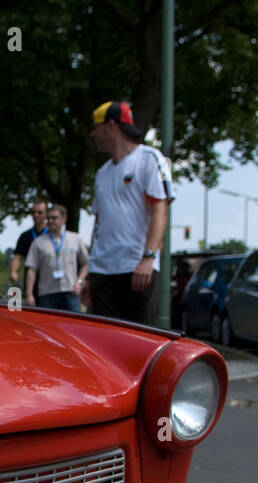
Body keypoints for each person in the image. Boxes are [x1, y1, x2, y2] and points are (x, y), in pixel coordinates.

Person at [86, 101, 176, 324]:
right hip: (102, 272)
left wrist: (148, 257)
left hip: (135, 269)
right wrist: (89, 271)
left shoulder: (150, 159)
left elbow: (159, 210)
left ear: (111, 126)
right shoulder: (102, 173)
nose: (92, 133)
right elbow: (98, 224)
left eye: (95, 127)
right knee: (102, 342)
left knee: (137, 342)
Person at [25, 203, 88, 311]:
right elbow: (32, 269)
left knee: (71, 326)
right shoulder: (38, 242)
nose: (50, 221)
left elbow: (86, 263)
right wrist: (29, 294)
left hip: (70, 291)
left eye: (54, 218)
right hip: (47, 293)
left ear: (64, 218)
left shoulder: (75, 239)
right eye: (48, 218)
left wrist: (80, 282)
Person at [9, 200, 49, 289]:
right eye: (33, 212)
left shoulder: (51, 234)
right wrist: (14, 271)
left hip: (49, 280)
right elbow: (17, 257)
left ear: (46, 214)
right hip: (31, 280)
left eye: (40, 212)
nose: (36, 215)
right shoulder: (25, 236)